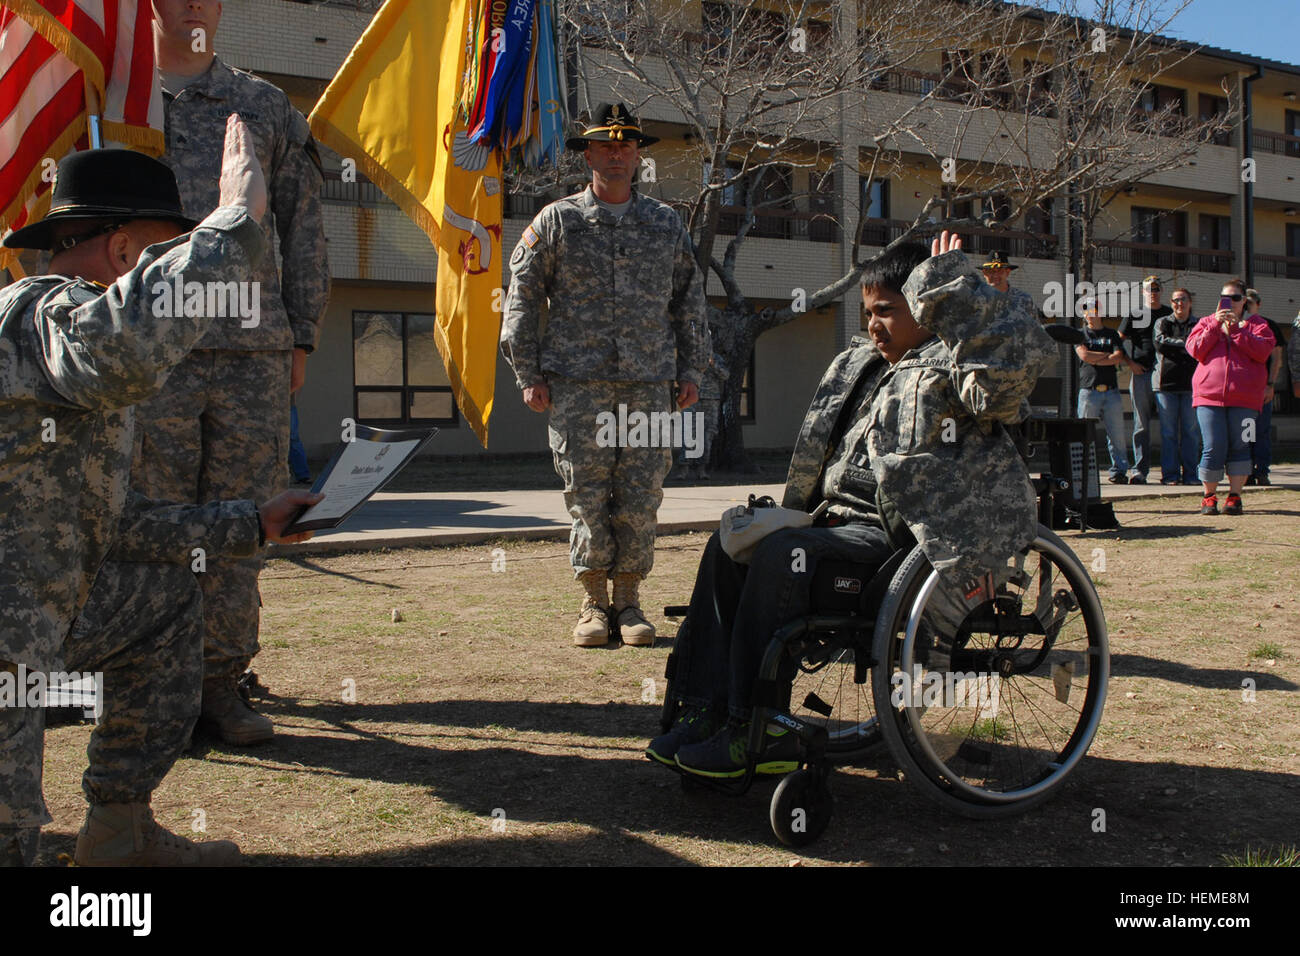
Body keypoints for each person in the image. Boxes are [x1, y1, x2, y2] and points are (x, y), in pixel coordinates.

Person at [0, 125, 319, 867]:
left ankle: (119, 833)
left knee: (166, 604)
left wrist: (252, 522)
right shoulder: (33, 315)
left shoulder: (57, 340)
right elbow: (121, 352)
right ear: (122, 255)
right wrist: (235, 219)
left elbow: (112, 524)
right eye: (161, 252)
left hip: (40, 616)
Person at [647, 234, 1056, 778]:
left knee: (784, 554)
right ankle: (704, 710)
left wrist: (951, 285)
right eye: (867, 312)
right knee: (728, 545)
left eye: (887, 310)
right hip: (832, 523)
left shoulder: (958, 367)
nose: (873, 325)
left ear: (924, 307)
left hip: (903, 539)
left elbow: (1006, 379)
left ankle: (755, 726)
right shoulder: (862, 365)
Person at [130, 0, 330, 745]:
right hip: (144, 350)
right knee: (150, 521)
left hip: (251, 353)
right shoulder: (112, 100)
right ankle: (150, 685)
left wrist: (301, 335)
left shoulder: (261, 103)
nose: (190, 4)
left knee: (245, 516)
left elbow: (303, 225)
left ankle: (221, 684)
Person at [502, 103, 707, 648]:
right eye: (605, 145)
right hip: (577, 385)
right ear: (588, 153)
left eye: (626, 145)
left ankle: (630, 603)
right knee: (587, 495)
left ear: (638, 155)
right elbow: (521, 301)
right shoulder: (556, 221)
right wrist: (528, 371)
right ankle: (594, 604)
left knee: (640, 497)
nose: (616, 154)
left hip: (649, 387)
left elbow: (689, 303)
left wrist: (692, 370)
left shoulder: (665, 224)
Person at [1186, 279, 1275, 515]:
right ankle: (1209, 497)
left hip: (1247, 401)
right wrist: (1216, 325)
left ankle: (1235, 496)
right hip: (1208, 398)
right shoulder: (1206, 322)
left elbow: (1263, 352)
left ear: (1244, 301)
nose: (1231, 303)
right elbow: (1194, 350)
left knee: (1242, 445)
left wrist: (1236, 330)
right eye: (1226, 297)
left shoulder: (1258, 325)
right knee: (1213, 446)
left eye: (1236, 298)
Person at [1118, 276, 1169, 484]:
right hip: (1141, 375)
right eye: (1150, 289)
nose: (1153, 292)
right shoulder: (1134, 314)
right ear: (1143, 292)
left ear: (1161, 291)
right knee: (1141, 425)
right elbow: (1117, 342)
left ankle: (1171, 472)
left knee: (1170, 427)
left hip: (1166, 378)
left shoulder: (1169, 314)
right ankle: (1139, 471)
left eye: (1157, 288)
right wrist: (1130, 363)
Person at [1075, 301, 1132, 484]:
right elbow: (1084, 356)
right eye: (1087, 311)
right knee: (1084, 434)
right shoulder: (1080, 335)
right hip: (1088, 391)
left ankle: (1119, 471)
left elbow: (1118, 357)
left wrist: (1096, 359)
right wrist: (1105, 357)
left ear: (1100, 312)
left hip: (1111, 392)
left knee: (1117, 435)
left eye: (1094, 310)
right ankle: (1084, 471)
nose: (1091, 314)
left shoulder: (1111, 334)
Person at [1153, 288, 1200, 485]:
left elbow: (1200, 345)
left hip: (1192, 386)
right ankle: (1170, 476)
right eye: (1175, 301)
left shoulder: (1199, 323)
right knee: (1169, 433)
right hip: (1165, 386)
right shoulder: (1162, 322)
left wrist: (1181, 346)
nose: (1179, 304)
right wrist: (1187, 344)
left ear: (1190, 302)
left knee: (1190, 433)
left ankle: (1191, 475)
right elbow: (1160, 344)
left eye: (1182, 300)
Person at [1244, 290, 1284, 486]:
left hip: (1262, 390)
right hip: (1242, 391)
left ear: (1258, 304)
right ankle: (1246, 471)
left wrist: (1270, 384)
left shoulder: (1269, 325)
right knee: (1245, 432)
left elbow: (1277, 358)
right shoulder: (1235, 325)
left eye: (1249, 302)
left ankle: (1262, 470)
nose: (1246, 306)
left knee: (1261, 431)